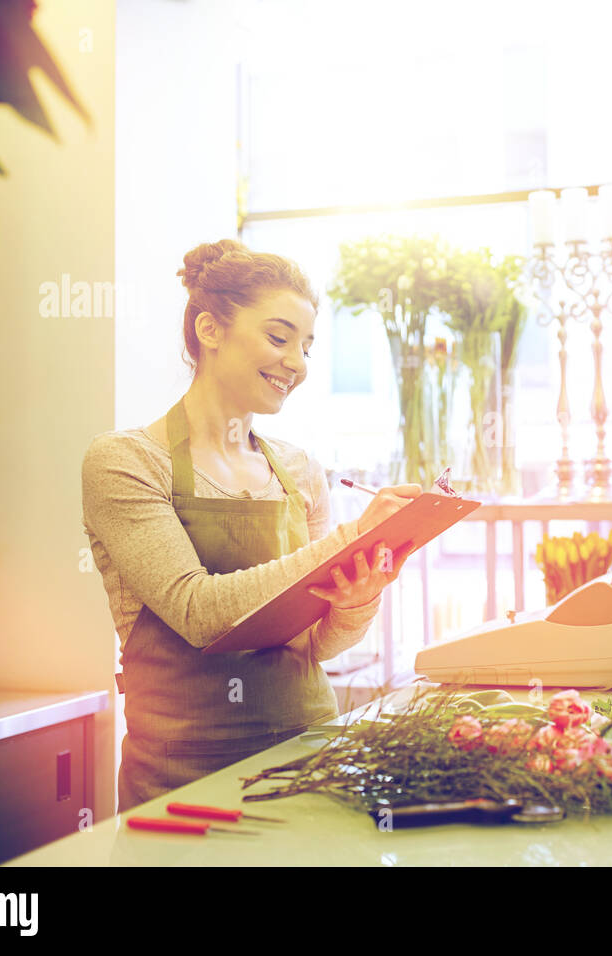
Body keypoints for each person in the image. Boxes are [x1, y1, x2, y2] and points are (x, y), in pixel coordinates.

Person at [82, 238, 419, 812]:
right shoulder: (127, 461)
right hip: (182, 783)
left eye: (308, 347)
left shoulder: (300, 471)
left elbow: (316, 645)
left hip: (311, 761)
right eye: (279, 337)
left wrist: (357, 597)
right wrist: (348, 541)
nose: (298, 363)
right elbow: (199, 613)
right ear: (210, 330)